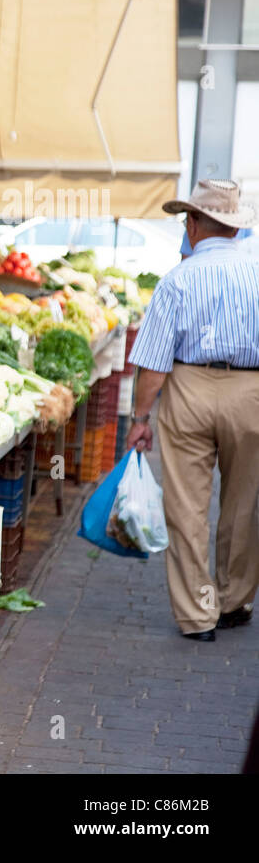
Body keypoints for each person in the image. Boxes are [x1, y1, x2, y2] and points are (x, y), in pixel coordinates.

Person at [127, 179, 259, 642]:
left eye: (188, 220)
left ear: (197, 224)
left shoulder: (178, 279)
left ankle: (198, 614)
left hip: (189, 389)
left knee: (186, 506)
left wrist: (140, 420)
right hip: (251, 391)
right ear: (235, 228)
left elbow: (153, 365)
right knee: (243, 503)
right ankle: (233, 600)